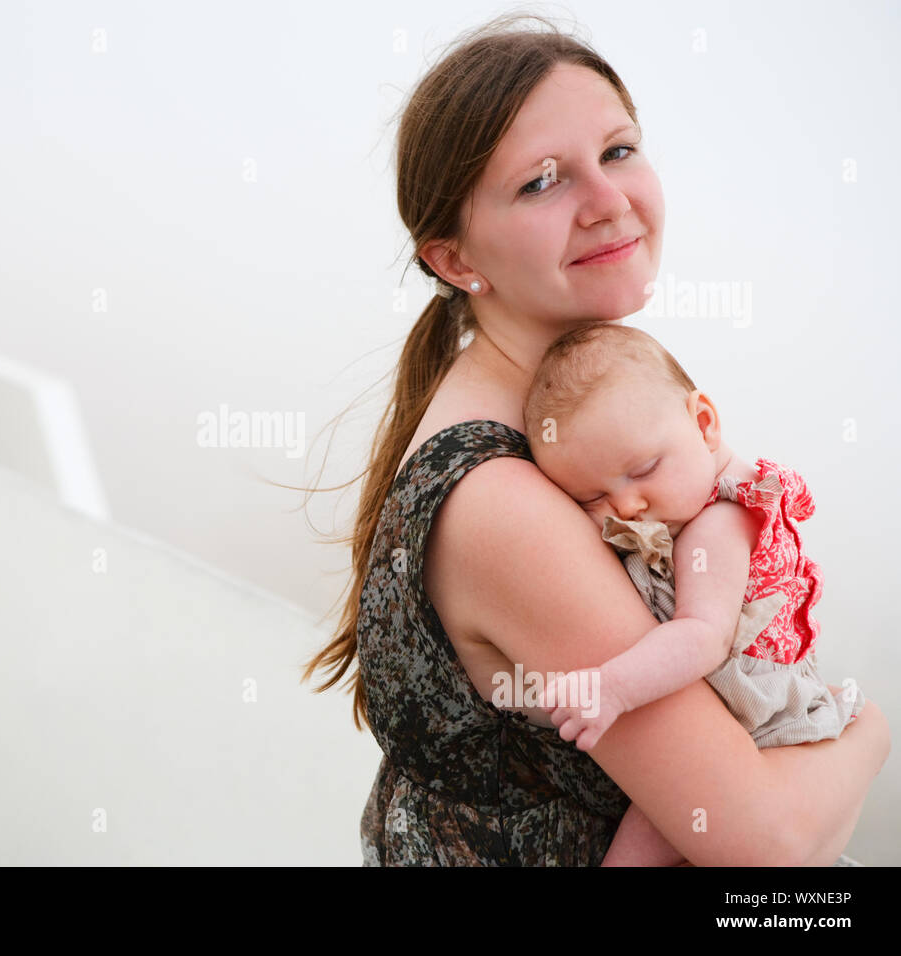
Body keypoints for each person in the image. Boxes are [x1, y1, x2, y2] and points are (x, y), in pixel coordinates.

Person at [300, 13, 890, 866]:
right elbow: (769, 851)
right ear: (456, 260)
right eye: (542, 181)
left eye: (618, 151)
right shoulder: (503, 502)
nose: (610, 203)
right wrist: (869, 731)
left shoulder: (562, 420)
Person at [517, 322, 865, 866]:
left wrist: (613, 688)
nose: (628, 507)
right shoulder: (678, 504)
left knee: (652, 830)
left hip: (767, 726)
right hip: (743, 727)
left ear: (703, 424)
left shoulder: (717, 523)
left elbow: (702, 636)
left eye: (643, 470)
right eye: (592, 497)